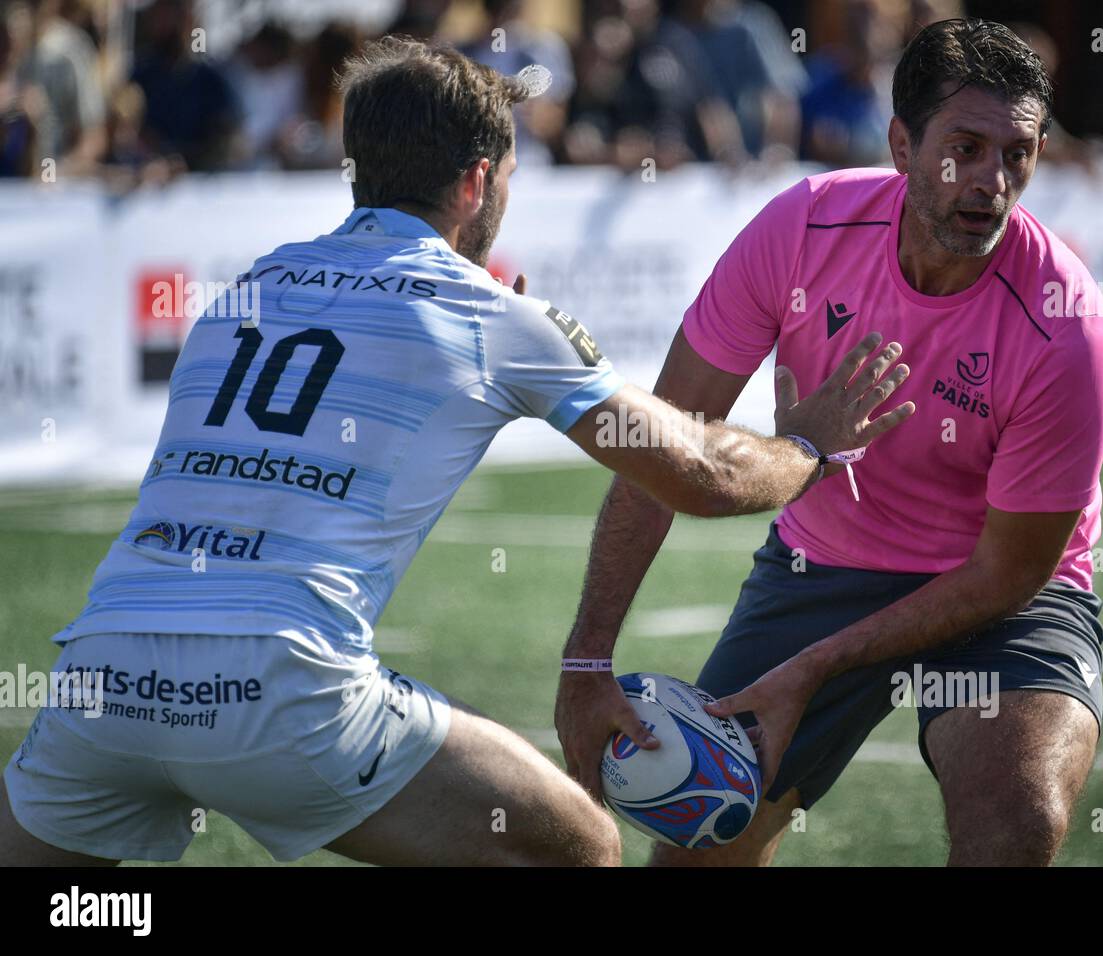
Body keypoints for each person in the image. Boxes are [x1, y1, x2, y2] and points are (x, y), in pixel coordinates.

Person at [0, 38, 912, 868]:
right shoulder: (486, 317)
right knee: (578, 846)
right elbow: (701, 475)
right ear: (478, 183)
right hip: (278, 686)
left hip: (104, 677)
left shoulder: (252, 282)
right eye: (508, 173)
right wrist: (808, 444)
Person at [555, 17, 1103, 867]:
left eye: (1018, 153)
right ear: (900, 143)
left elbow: (1011, 570)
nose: (992, 183)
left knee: (1018, 823)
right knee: (699, 855)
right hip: (824, 565)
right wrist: (587, 657)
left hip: (1003, 597)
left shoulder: (1066, 325)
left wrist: (816, 668)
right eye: (965, 147)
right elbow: (659, 444)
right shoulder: (800, 230)